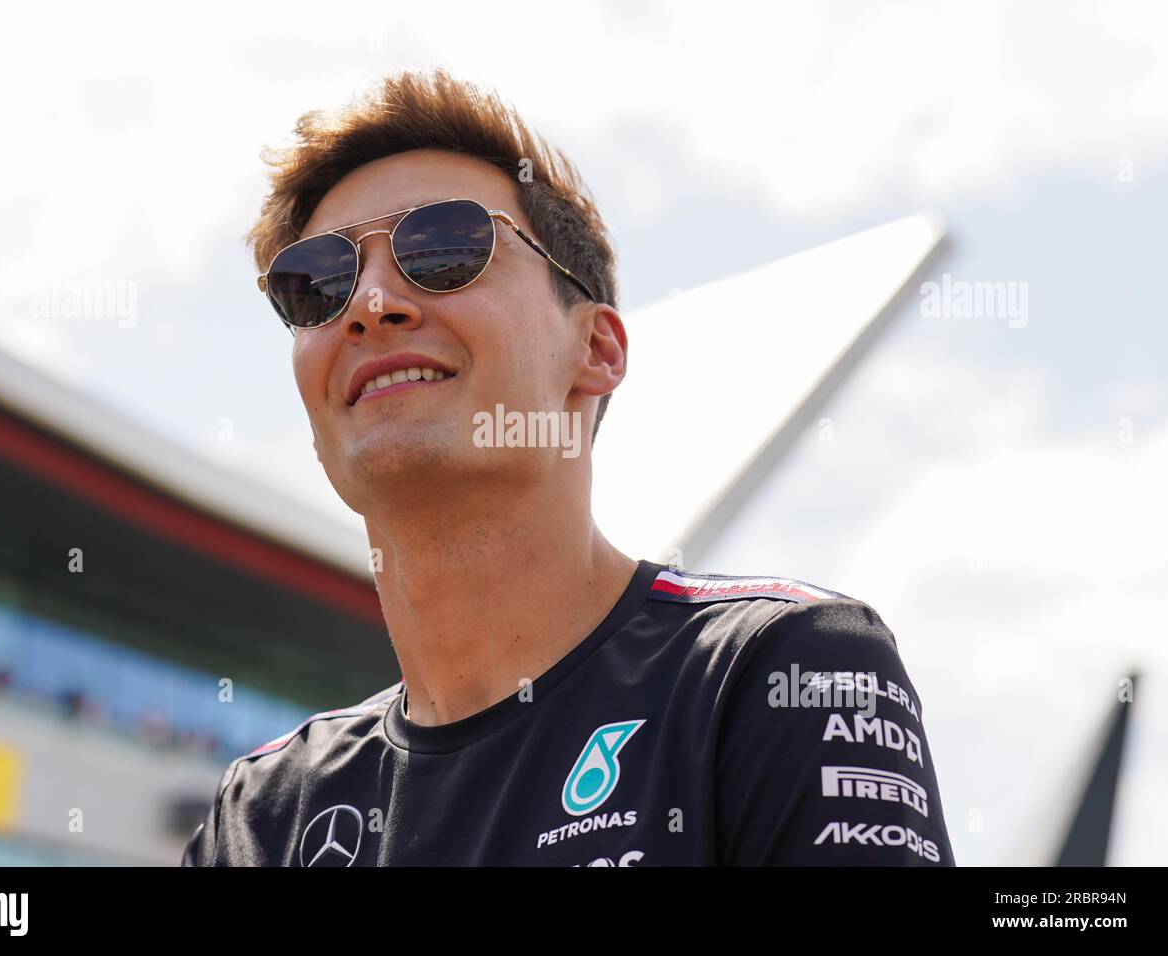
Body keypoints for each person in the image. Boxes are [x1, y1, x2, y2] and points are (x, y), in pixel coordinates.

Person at [182, 68, 954, 867]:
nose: (372, 303)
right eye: (319, 285)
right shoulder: (262, 816)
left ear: (596, 348)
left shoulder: (777, 669)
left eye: (443, 247)